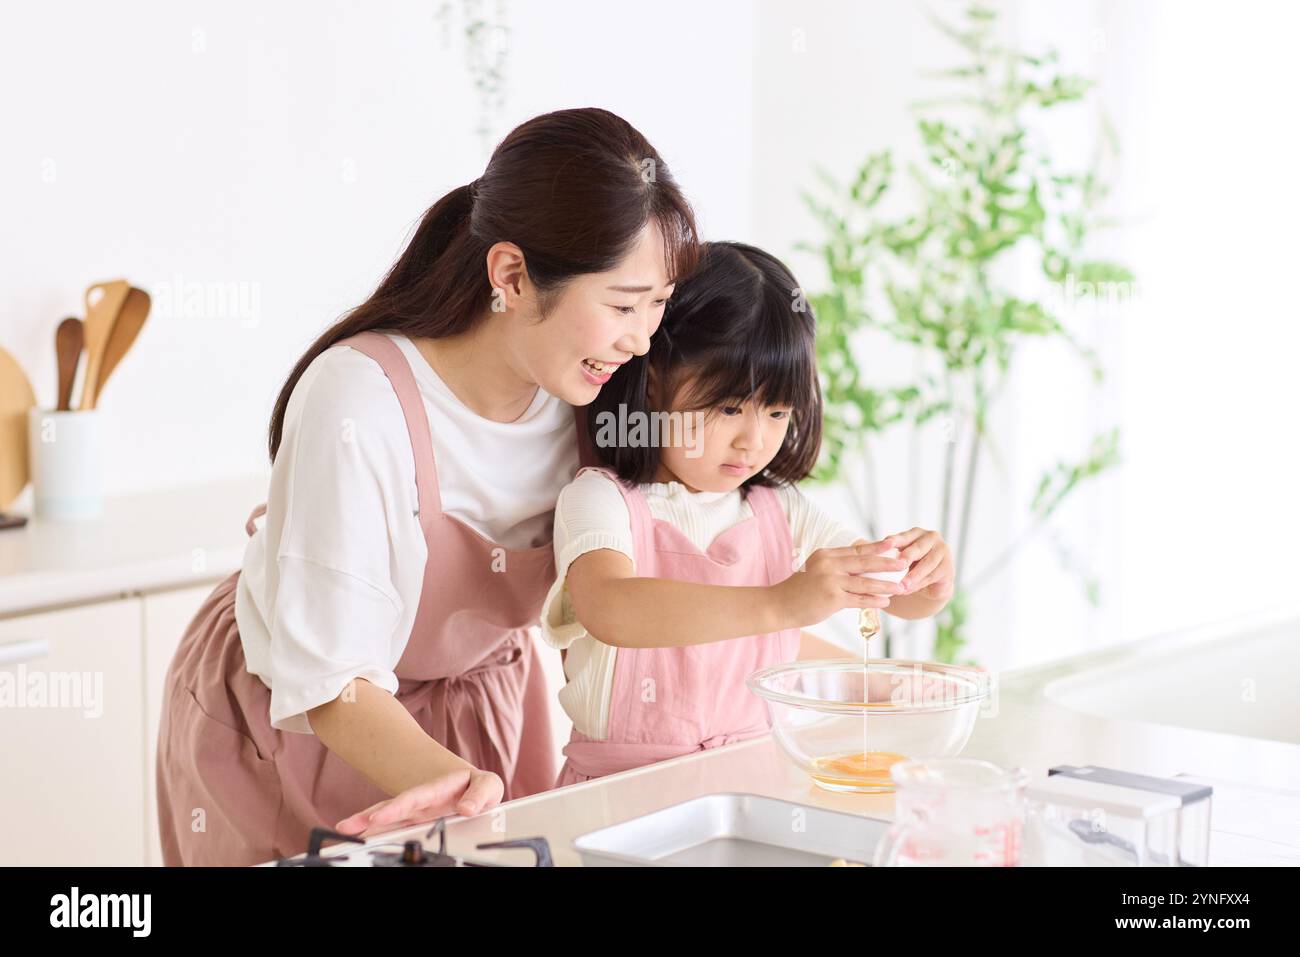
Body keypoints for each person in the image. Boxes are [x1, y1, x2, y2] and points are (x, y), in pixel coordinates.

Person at [156, 108, 700, 865]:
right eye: (621, 304)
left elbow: (666, 572)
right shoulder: (358, 400)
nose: (642, 337)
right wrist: (457, 783)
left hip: (481, 714)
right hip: (301, 718)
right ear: (511, 274)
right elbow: (332, 682)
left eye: (658, 304)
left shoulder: (595, 396)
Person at [540, 242, 955, 785]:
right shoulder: (602, 500)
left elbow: (898, 597)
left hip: (750, 781)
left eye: (778, 411)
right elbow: (610, 608)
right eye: (729, 407)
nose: (753, 441)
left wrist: (928, 575)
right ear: (657, 377)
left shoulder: (781, 511)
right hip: (617, 792)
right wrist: (781, 602)